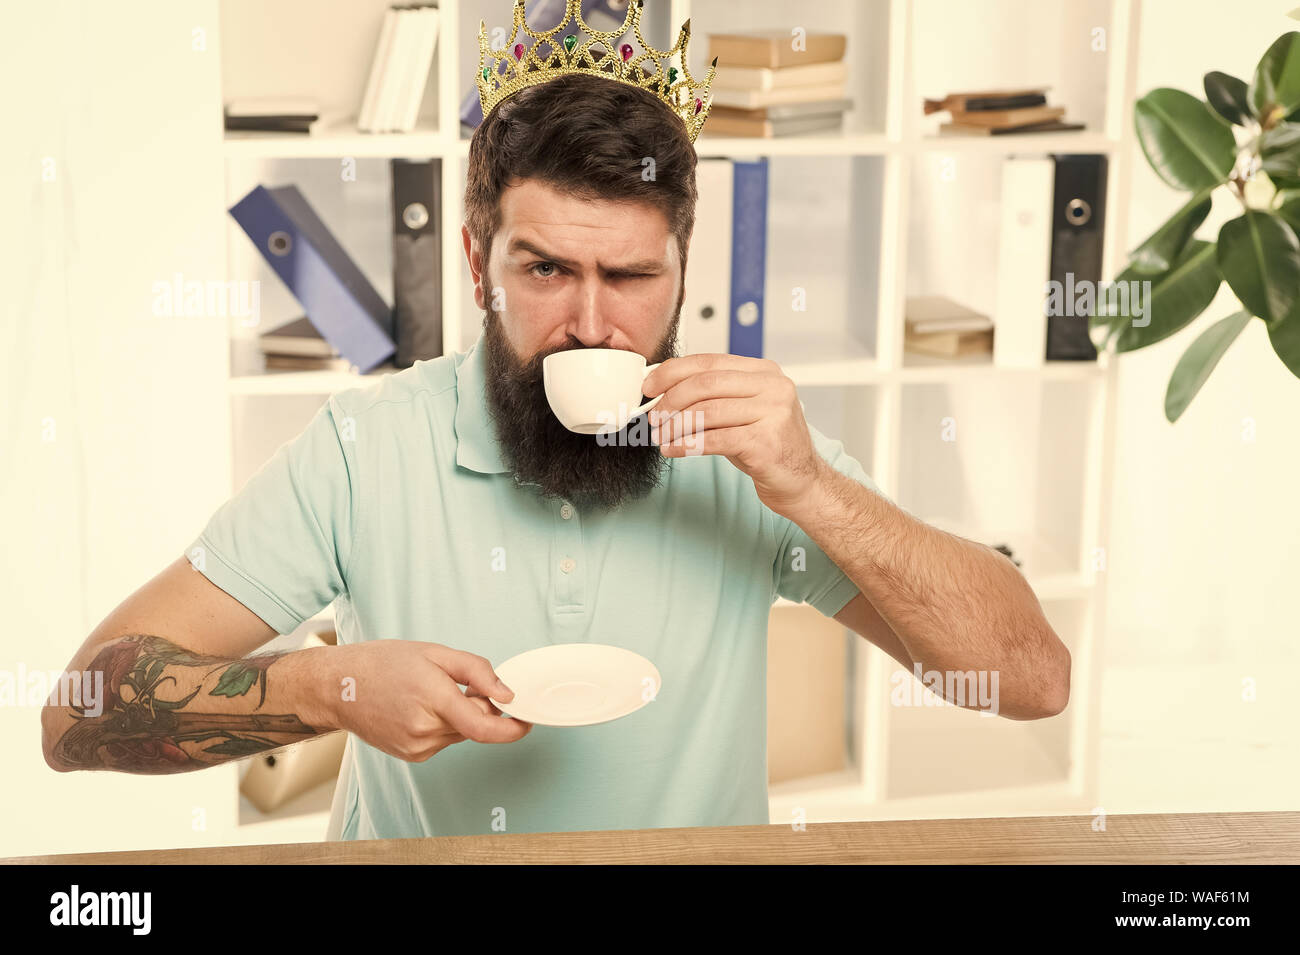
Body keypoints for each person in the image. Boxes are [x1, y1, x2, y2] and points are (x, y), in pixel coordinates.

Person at [42, 23, 1069, 839]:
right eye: (544, 271)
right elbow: (76, 713)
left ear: (683, 267)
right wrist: (328, 684)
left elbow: (1030, 679)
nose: (589, 324)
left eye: (629, 277)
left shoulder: (752, 455)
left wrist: (815, 490)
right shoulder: (365, 449)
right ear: (477, 257)